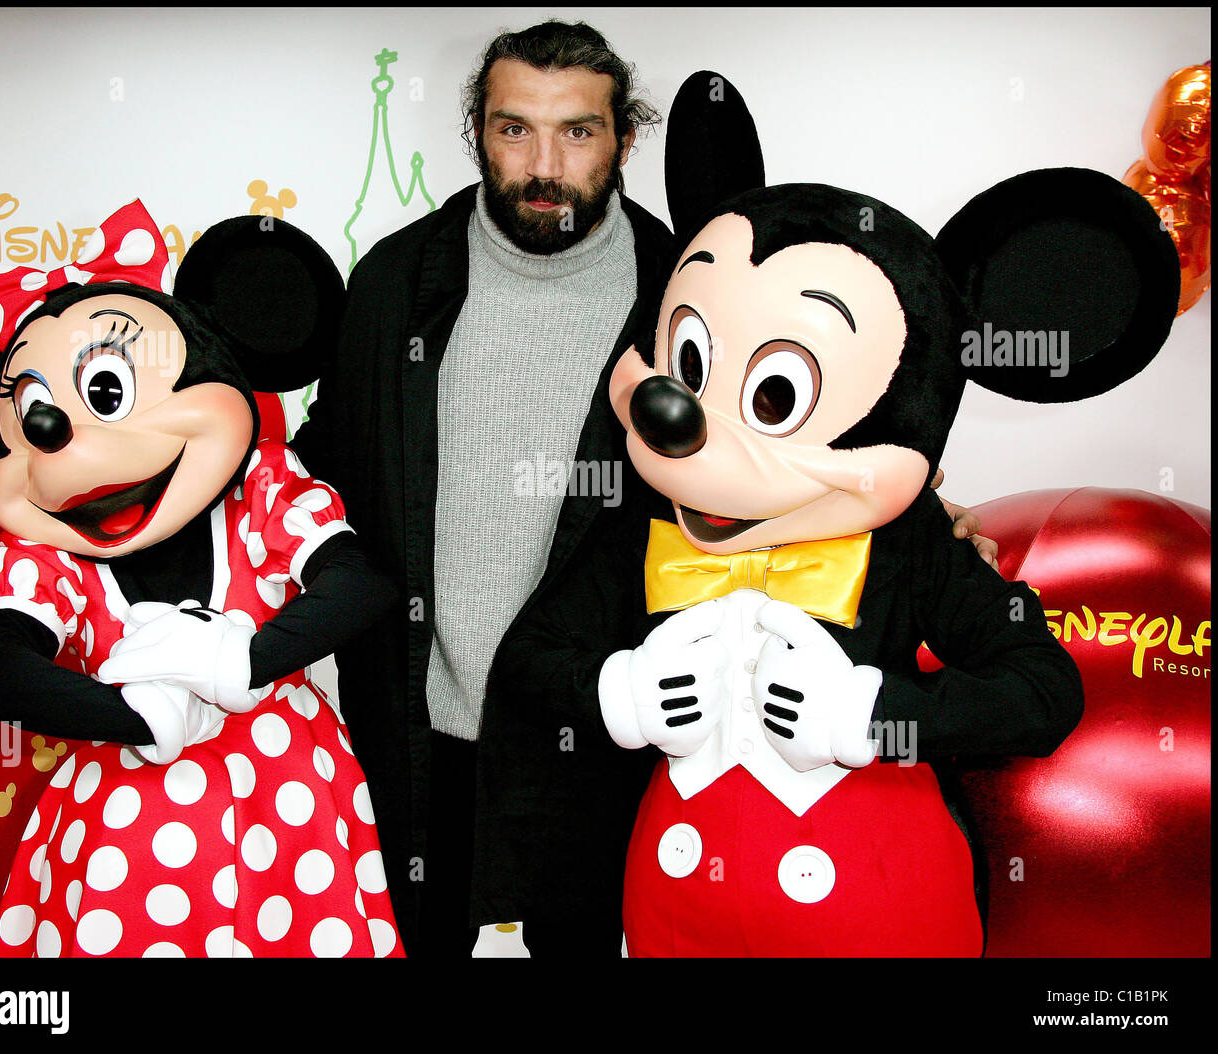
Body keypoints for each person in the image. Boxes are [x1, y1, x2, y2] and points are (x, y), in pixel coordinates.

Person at [292, 18, 994, 959]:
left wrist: (919, 518)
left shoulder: (688, 282)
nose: (545, 164)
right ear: (477, 134)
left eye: (578, 131)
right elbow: (324, 462)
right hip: (426, 729)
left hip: (612, 725)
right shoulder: (391, 283)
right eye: (515, 129)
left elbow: (782, 462)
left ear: (625, 137)